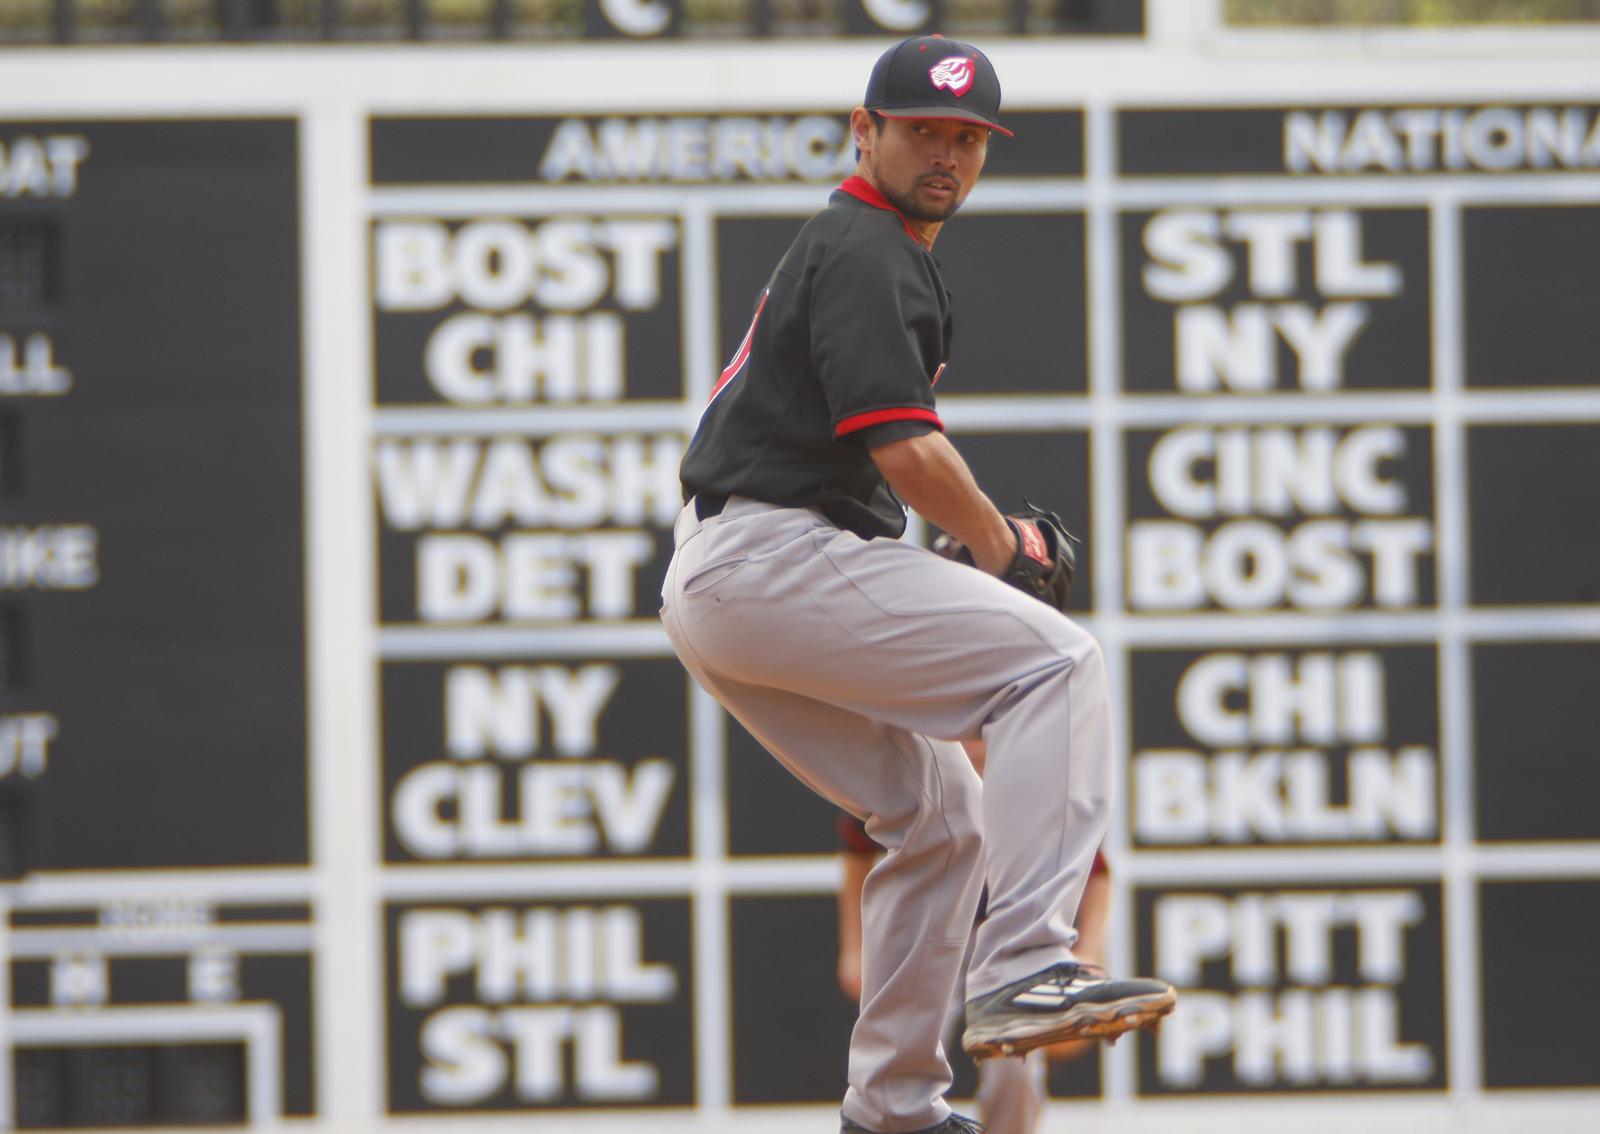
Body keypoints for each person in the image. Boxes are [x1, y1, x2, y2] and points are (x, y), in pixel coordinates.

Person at [658, 33, 1175, 1134]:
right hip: (769, 559)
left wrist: (967, 544)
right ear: (866, 129)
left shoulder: (865, 247)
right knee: (1058, 663)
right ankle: (1031, 964)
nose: (944, 152)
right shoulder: (868, 244)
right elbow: (905, 451)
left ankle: (891, 1108)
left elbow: (877, 459)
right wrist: (1000, 546)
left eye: (964, 135)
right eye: (921, 129)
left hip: (733, 580)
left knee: (942, 814)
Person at [836, 740, 1113, 1134]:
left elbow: (1096, 870)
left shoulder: (1031, 781)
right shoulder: (917, 767)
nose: (974, 744)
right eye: (964, 732)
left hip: (1008, 935)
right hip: (928, 927)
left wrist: (1087, 950)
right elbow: (856, 852)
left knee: (1017, 1058)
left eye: (983, 733)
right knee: (899, 1049)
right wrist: (854, 946)